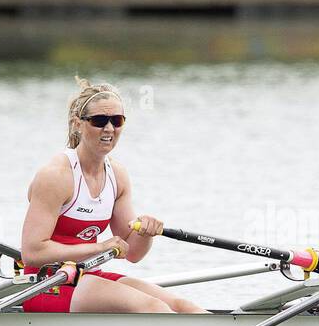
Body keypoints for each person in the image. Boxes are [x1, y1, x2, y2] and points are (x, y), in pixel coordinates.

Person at [19, 79, 206, 314]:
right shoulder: (56, 176)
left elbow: (133, 252)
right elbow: (32, 253)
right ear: (78, 124)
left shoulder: (117, 175)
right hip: (49, 284)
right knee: (153, 308)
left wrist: (146, 232)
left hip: (89, 275)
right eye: (99, 121)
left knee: (182, 307)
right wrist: (100, 247)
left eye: (116, 121)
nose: (109, 129)